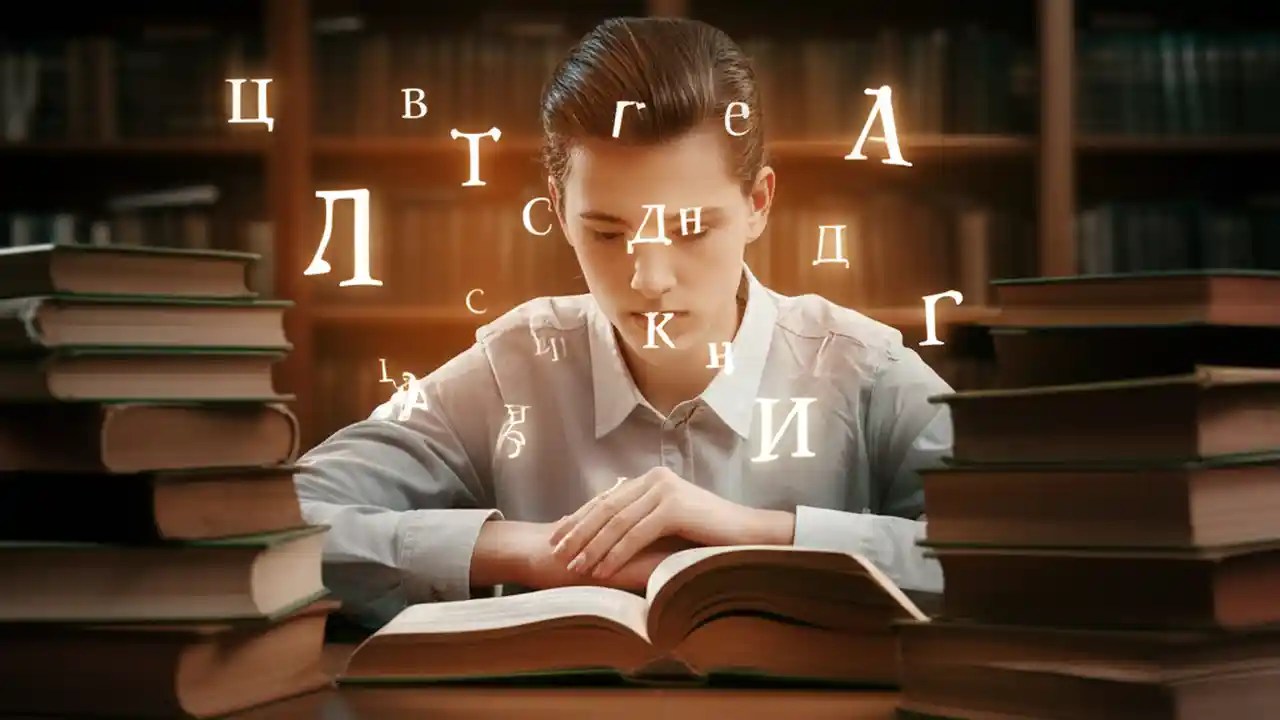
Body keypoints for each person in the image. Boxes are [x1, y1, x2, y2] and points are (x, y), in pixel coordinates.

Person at [294, 15, 954, 630]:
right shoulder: (513, 369)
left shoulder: (863, 369)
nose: (650, 279)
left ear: (758, 203)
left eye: (691, 228)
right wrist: (527, 551)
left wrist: (756, 533)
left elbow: (1027, 553)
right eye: (608, 233)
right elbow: (286, 520)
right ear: (557, 208)